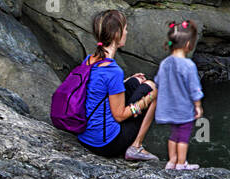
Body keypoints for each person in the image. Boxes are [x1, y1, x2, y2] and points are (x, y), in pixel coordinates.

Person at [77, 9, 159, 161]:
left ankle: (137, 85)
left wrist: (128, 81)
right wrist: (148, 99)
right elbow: (120, 116)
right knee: (152, 88)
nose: (127, 32)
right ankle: (136, 147)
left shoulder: (89, 60)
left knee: (137, 82)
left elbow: (97, 89)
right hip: (105, 144)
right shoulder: (113, 71)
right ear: (117, 34)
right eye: (125, 29)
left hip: (84, 136)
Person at [155, 19, 204, 170]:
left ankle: (172, 161)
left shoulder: (165, 63)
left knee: (173, 134)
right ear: (189, 45)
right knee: (183, 136)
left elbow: (158, 82)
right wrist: (198, 106)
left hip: (168, 107)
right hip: (183, 108)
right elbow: (194, 88)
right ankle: (181, 163)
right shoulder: (188, 65)